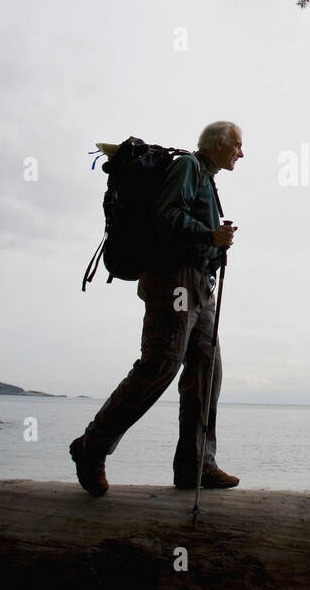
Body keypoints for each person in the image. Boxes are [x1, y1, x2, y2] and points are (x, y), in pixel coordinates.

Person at [70, 121, 244, 496]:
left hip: (199, 287)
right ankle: (92, 446)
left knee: (206, 369)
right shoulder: (188, 167)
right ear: (217, 144)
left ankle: (196, 466)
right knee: (162, 362)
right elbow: (165, 217)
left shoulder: (207, 179)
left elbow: (194, 231)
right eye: (237, 146)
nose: (241, 154)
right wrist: (209, 236)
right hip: (174, 280)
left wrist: (217, 246)